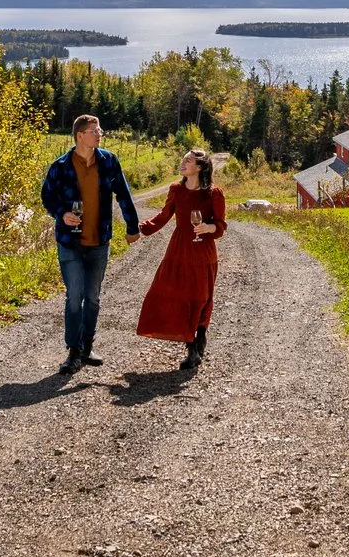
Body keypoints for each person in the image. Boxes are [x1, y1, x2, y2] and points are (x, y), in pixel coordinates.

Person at [40, 115, 140, 374]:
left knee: (92, 298)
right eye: (94, 131)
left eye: (99, 130)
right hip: (69, 242)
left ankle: (87, 347)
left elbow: (124, 194)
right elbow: (47, 196)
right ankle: (73, 351)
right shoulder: (60, 166)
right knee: (75, 296)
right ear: (80, 135)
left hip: (99, 241)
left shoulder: (108, 161)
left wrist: (132, 226)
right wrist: (62, 213)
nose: (99, 134)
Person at [135, 149, 227, 370]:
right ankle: (191, 346)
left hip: (203, 252)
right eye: (183, 159)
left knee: (200, 298)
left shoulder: (214, 193)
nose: (183, 163)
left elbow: (221, 226)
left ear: (200, 167)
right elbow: (163, 216)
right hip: (178, 250)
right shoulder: (176, 190)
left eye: (189, 160)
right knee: (173, 294)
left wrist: (209, 227)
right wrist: (140, 229)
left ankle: (199, 337)